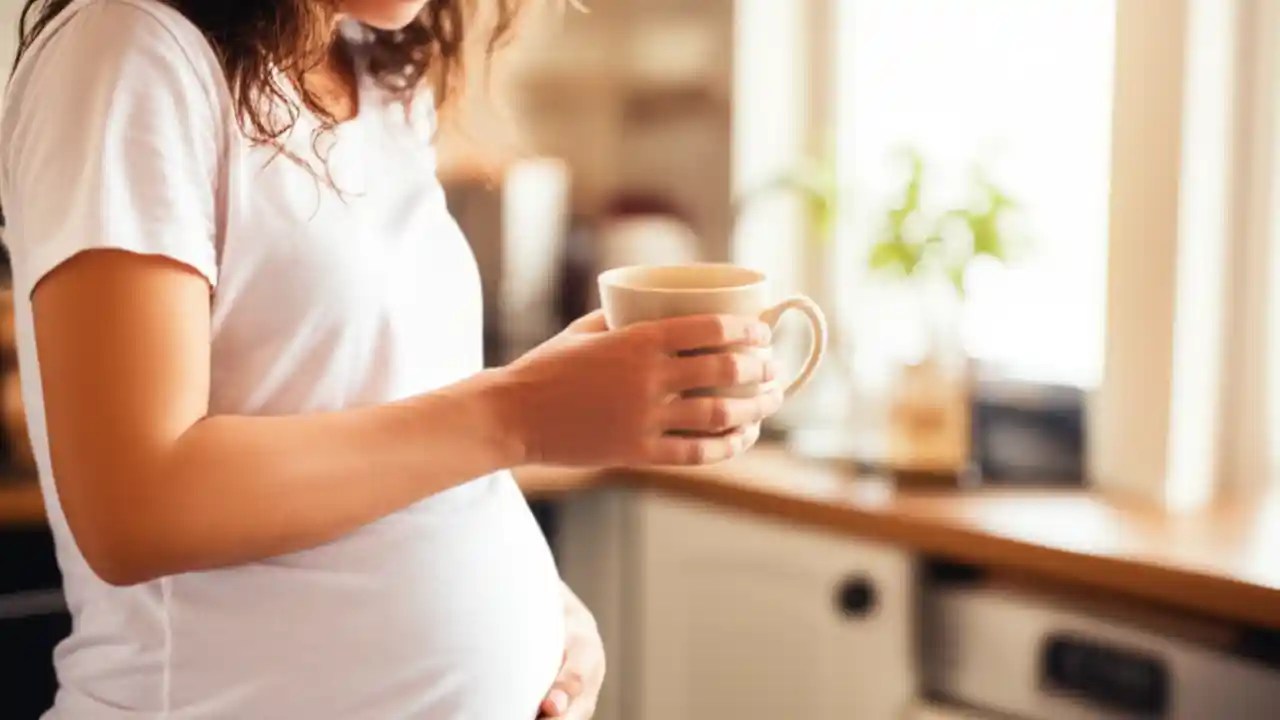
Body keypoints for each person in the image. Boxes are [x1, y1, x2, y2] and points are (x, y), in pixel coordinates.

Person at [0, 0, 785, 717]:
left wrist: (538, 603)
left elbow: (387, 436)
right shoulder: (130, 53)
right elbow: (138, 506)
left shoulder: (376, 75)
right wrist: (522, 411)